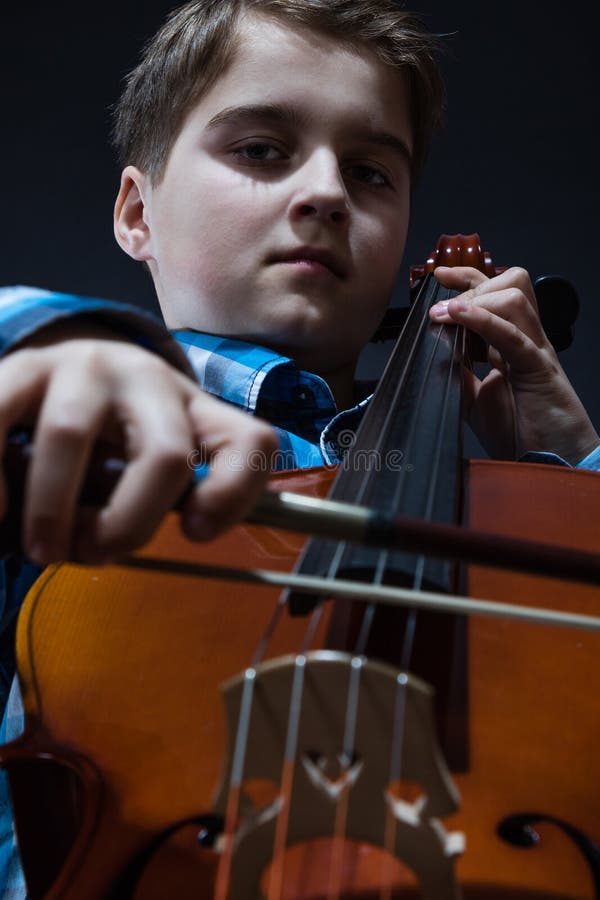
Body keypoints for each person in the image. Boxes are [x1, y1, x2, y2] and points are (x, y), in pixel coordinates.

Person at [0, 0, 598, 894]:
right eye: (261, 150)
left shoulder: (491, 512)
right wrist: (50, 345)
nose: (325, 193)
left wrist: (576, 470)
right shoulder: (86, 436)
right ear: (136, 214)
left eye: (370, 172)